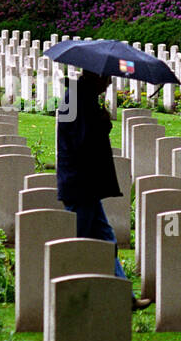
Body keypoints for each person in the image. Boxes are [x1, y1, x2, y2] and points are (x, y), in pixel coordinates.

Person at [56, 69, 142, 303]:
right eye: (107, 77)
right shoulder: (74, 100)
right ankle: (61, 292)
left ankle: (126, 295)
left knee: (106, 239)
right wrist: (101, 122)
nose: (110, 81)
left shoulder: (81, 97)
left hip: (86, 185)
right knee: (77, 242)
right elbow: (80, 141)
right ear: (95, 77)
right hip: (79, 184)